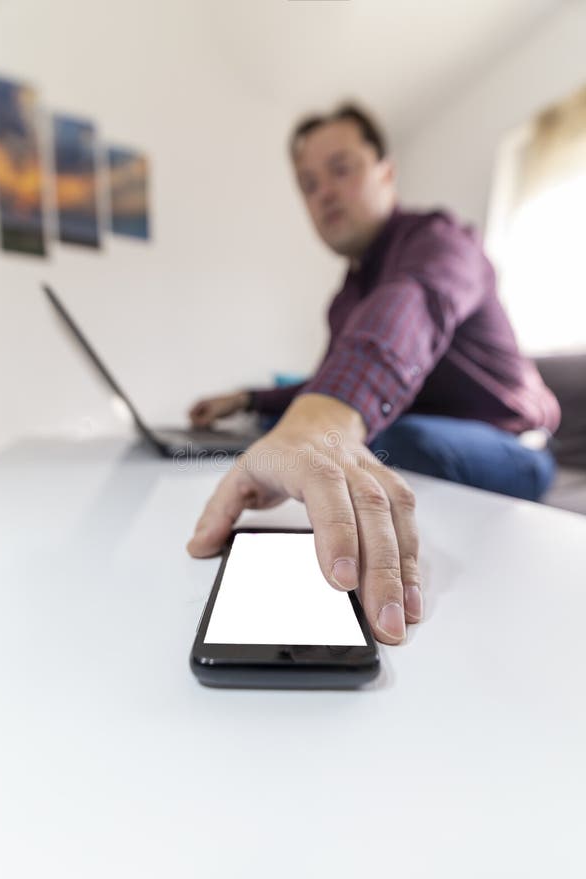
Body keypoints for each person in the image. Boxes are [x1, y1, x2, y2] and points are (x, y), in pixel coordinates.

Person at [187, 102, 560, 646]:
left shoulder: (442, 240)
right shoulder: (345, 300)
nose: (325, 193)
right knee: (354, 434)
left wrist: (319, 422)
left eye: (341, 169)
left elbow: (411, 307)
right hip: (422, 436)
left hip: (514, 448)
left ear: (386, 172)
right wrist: (248, 399)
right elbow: (331, 377)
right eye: (308, 184)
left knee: (384, 435)